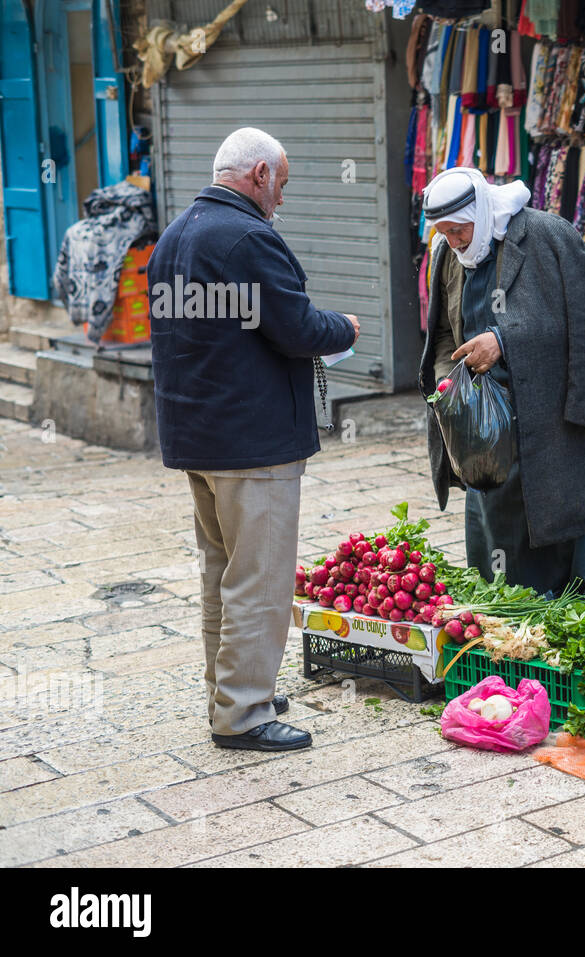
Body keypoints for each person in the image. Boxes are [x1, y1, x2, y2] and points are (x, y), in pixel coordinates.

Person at [150, 127, 360, 752]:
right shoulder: (246, 237)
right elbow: (295, 327)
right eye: (283, 185)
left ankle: (235, 687)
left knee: (223, 573)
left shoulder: (176, 236)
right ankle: (243, 714)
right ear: (260, 173)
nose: (283, 200)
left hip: (199, 436)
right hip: (253, 443)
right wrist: (343, 327)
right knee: (260, 579)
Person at [419, 167, 585, 605]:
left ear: (481, 211)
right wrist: (448, 391)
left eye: (459, 230)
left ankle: (574, 625)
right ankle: (512, 626)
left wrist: (504, 342)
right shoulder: (446, 255)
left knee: (567, 521)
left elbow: (583, 327)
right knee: (500, 527)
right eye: (444, 233)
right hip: (488, 428)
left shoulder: (548, 236)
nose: (453, 241)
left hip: (553, 415)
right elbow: (445, 334)